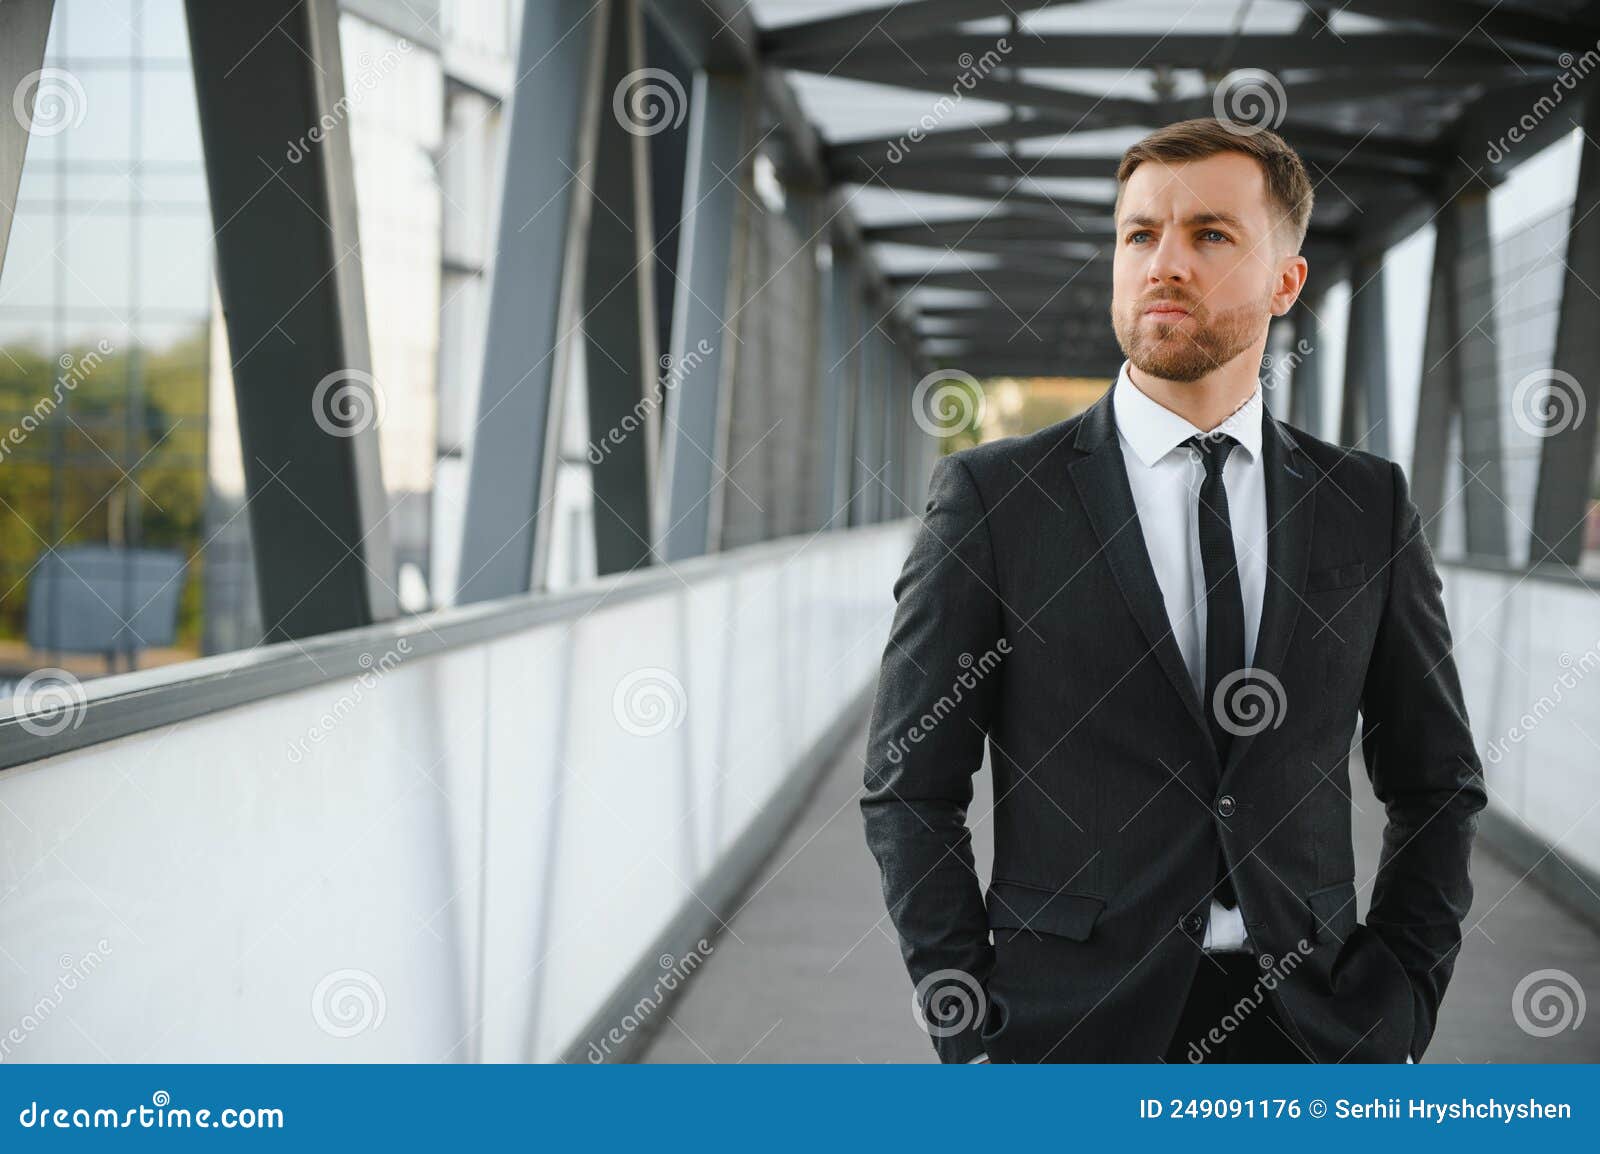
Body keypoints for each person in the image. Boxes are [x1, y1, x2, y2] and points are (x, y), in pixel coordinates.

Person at [860, 117, 1486, 1064]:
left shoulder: (1366, 504)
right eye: (1140, 234)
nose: (1165, 263)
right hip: (1066, 1029)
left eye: (1211, 235)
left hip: (1314, 1029)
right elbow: (909, 784)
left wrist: (1399, 1003)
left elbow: (1436, 781)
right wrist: (967, 1022)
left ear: (1287, 280)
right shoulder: (996, 500)